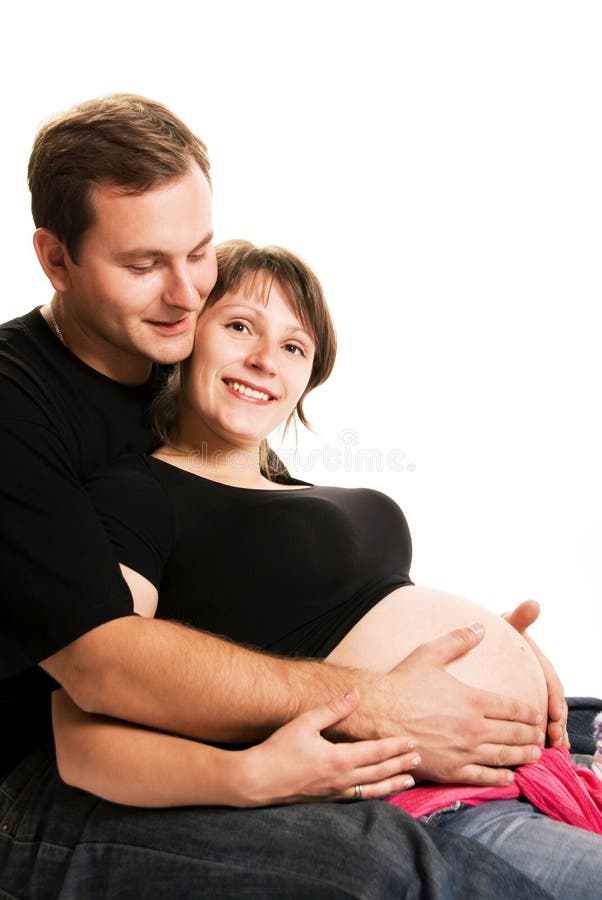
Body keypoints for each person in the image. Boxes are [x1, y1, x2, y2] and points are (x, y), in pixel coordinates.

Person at [0, 92, 572, 899]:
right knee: (385, 865)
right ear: (56, 261)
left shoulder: (184, 370)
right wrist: (378, 707)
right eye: (142, 265)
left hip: (407, 746)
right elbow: (101, 675)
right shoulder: (29, 411)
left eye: (198, 253)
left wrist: (491, 658)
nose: (185, 293)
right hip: (38, 790)